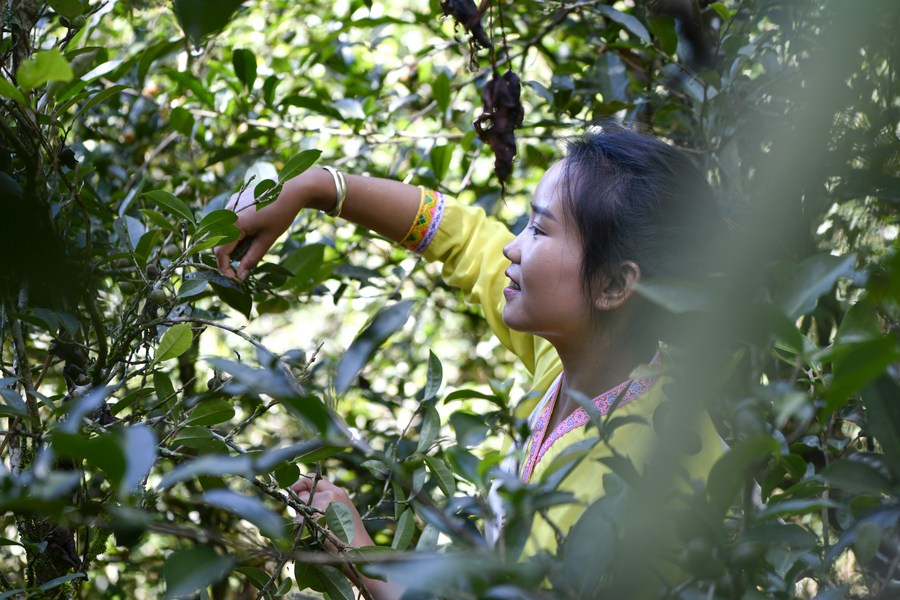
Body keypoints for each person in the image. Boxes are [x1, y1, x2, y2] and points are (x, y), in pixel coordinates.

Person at [214, 124, 725, 598]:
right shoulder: (585, 358)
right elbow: (463, 238)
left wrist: (359, 555)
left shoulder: (657, 470)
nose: (511, 249)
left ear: (615, 285)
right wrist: (316, 187)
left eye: (540, 232)